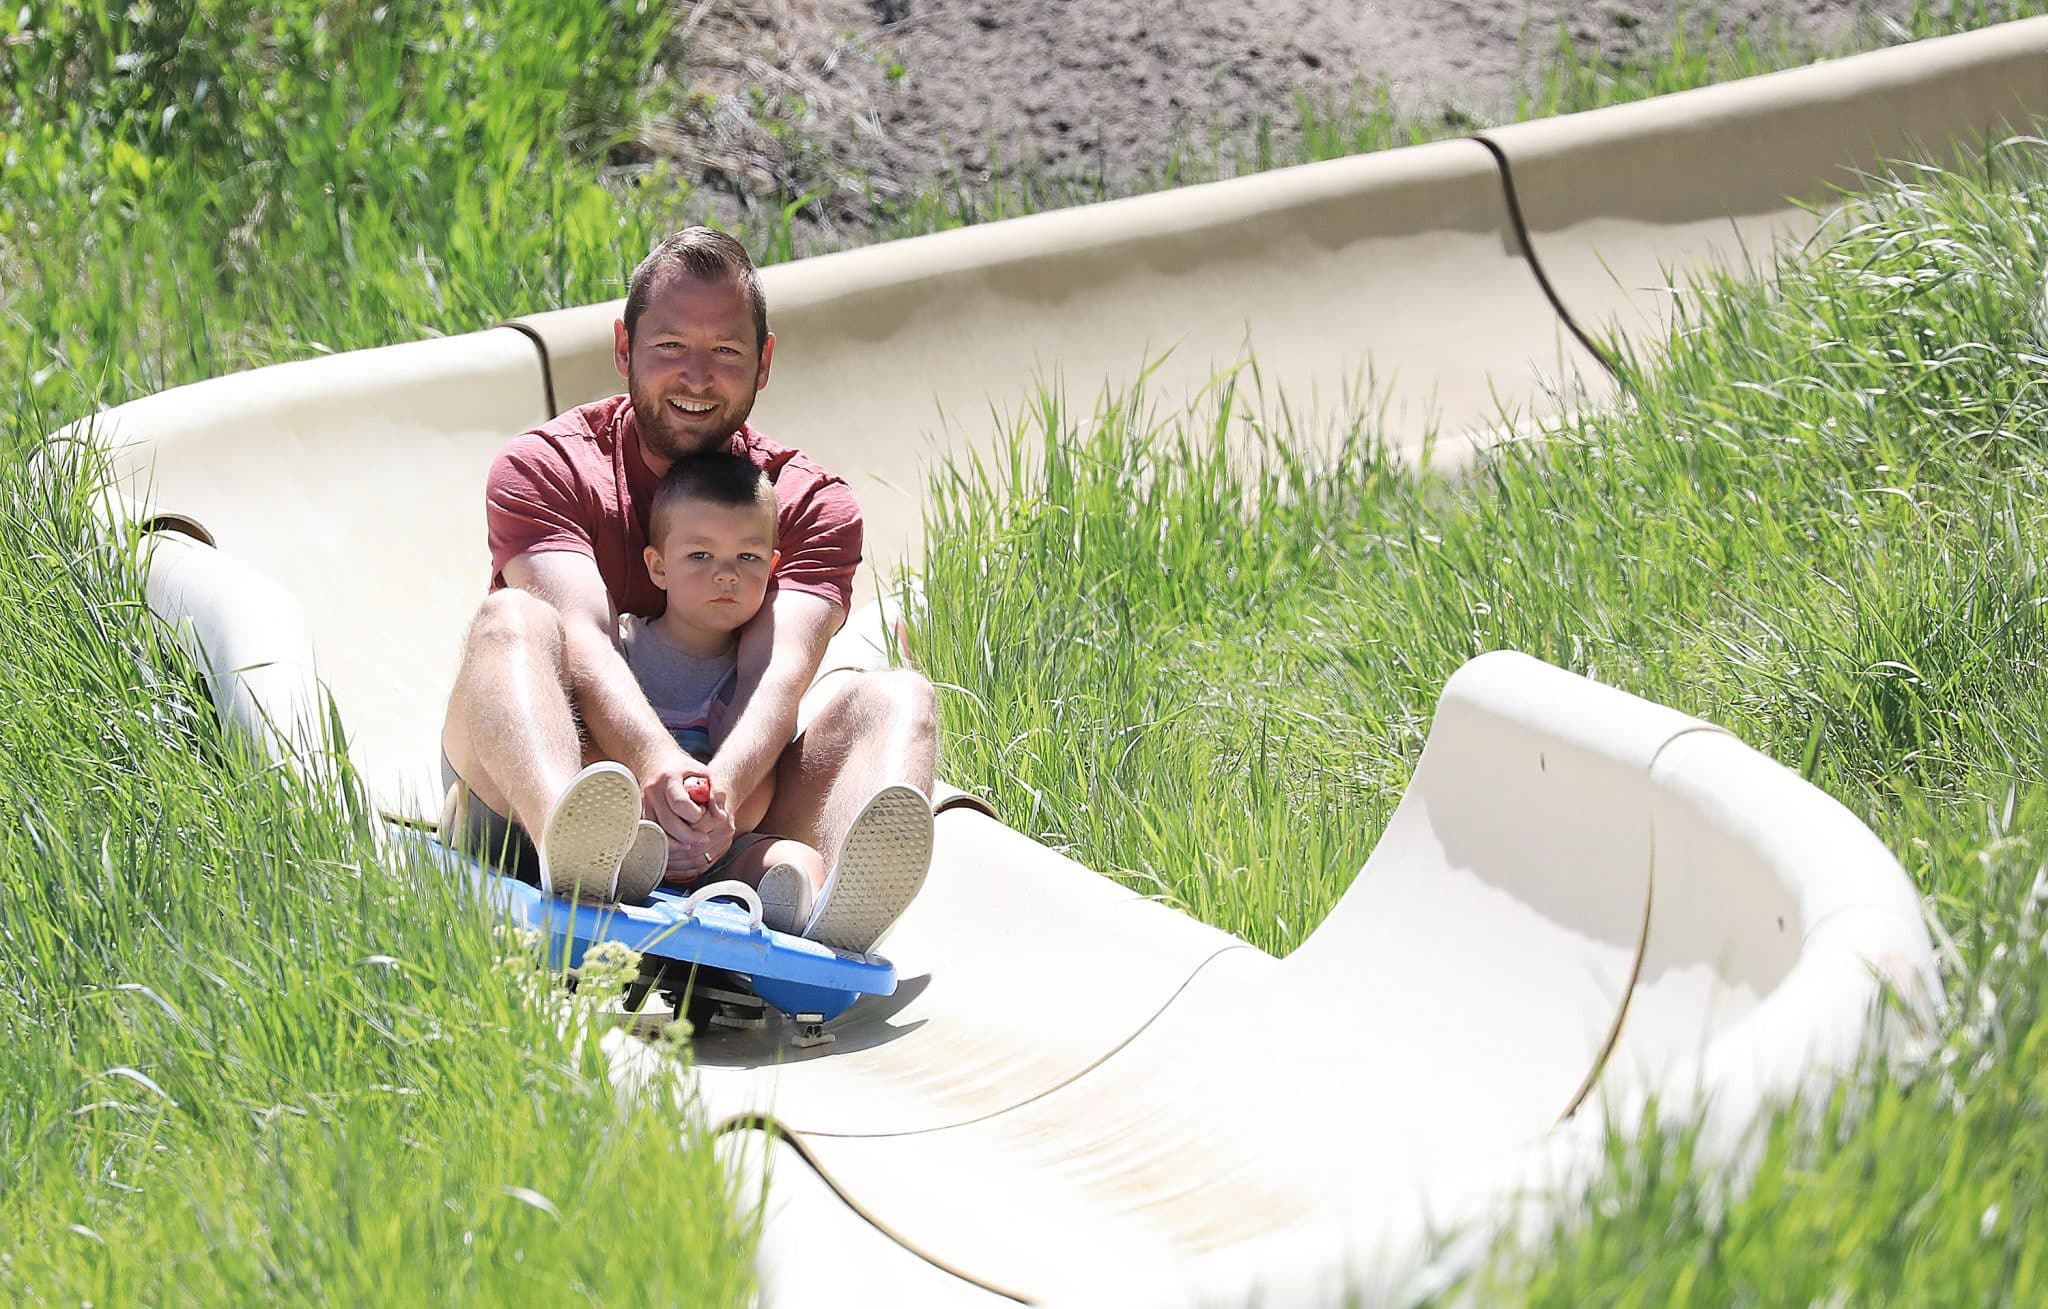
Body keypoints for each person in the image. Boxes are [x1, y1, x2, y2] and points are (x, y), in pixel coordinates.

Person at [438, 226, 937, 954]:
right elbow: (581, 638)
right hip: (538, 782)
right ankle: (573, 847)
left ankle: (828, 907)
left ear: (763, 361)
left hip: (723, 820)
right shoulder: (545, 468)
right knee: (511, 618)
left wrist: (719, 791)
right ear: (624, 348)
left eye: (726, 352)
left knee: (900, 697)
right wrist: (654, 765)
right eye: (670, 346)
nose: (697, 377)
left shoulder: (810, 504)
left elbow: (781, 670)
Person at [618, 451, 824, 934]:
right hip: (626, 836)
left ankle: (809, 917)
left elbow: (758, 793)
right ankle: (609, 869)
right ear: (658, 566)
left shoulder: (759, 675)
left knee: (795, 860)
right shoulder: (623, 648)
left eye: (747, 557)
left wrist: (708, 819)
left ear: (772, 567)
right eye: (700, 556)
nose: (726, 574)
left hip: (720, 851)